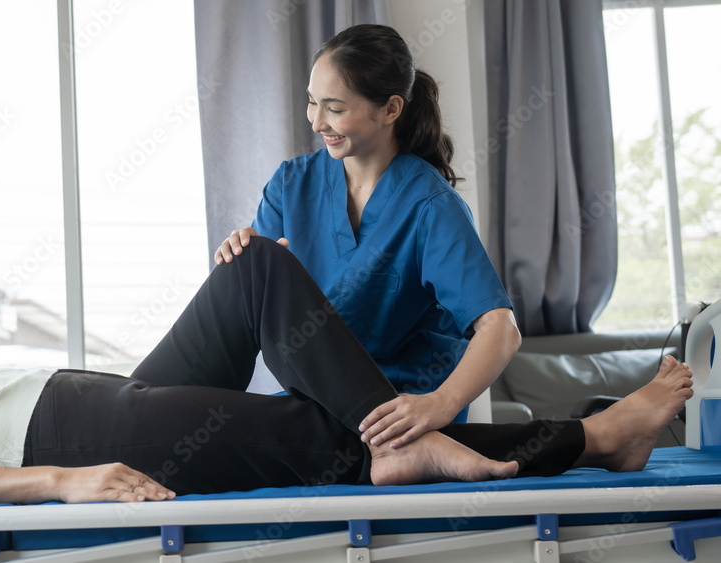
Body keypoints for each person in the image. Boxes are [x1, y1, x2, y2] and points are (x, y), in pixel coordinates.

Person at [0, 238, 694, 510]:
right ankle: (595, 436)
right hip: (71, 436)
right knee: (324, 437)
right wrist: (64, 480)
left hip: (94, 399)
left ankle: (405, 440)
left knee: (253, 268)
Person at [213, 24, 519, 448]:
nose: (316, 121)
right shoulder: (291, 184)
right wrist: (242, 265)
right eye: (312, 102)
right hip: (317, 404)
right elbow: (249, 306)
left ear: (390, 109)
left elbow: (501, 328)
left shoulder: (430, 205)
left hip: (393, 417)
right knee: (198, 428)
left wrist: (441, 403)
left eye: (335, 108)